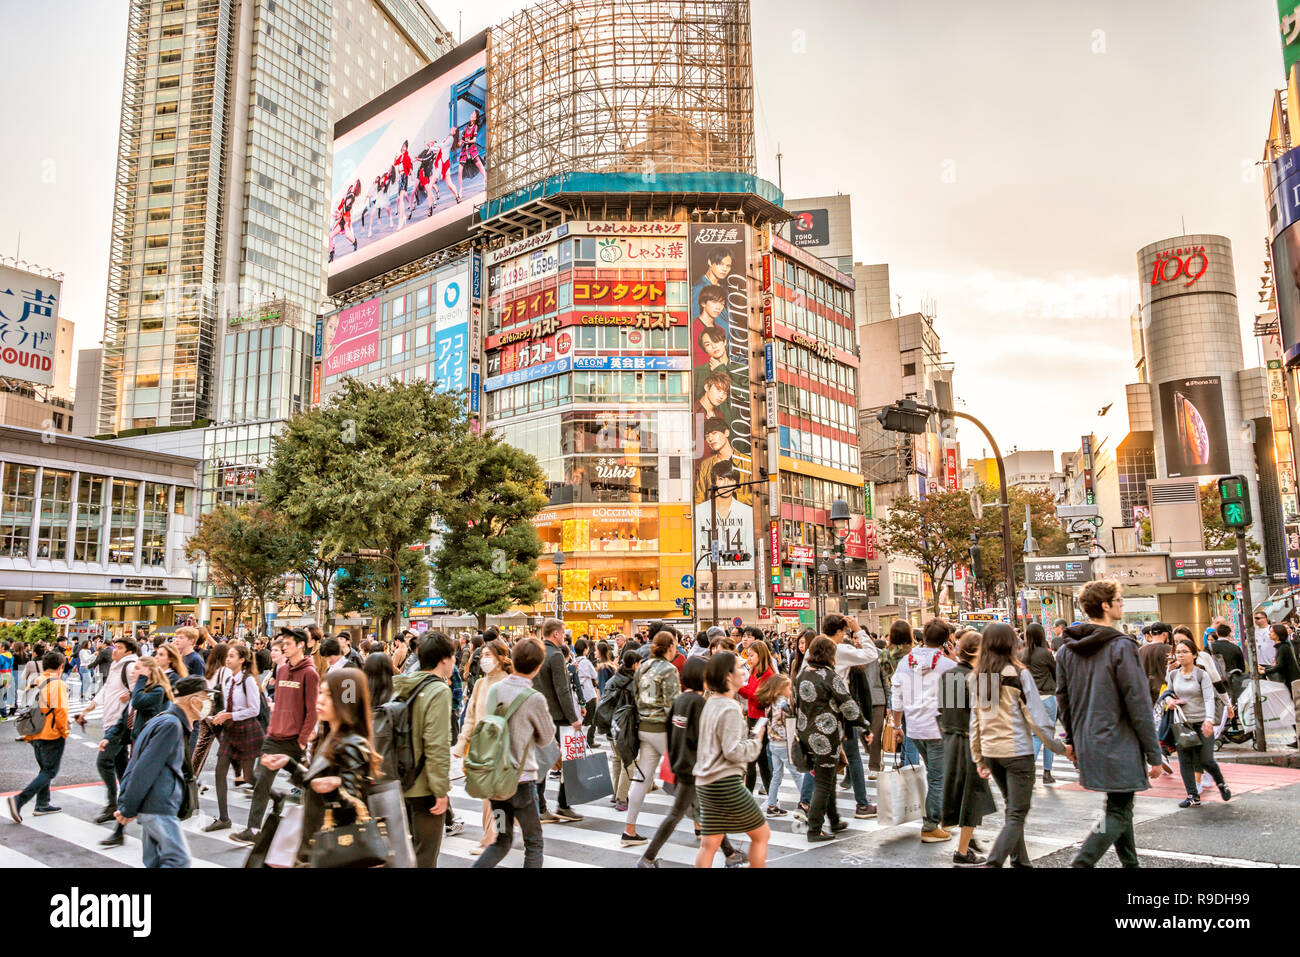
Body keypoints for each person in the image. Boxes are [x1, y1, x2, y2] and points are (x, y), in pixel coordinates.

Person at [1057, 580, 1164, 868]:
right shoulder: (1121, 646)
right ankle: (1082, 863)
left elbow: (1063, 699)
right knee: (1118, 812)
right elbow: (1138, 702)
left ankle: (1131, 865)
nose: (1122, 604)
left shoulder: (1067, 650)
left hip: (1088, 738)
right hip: (1120, 740)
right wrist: (1154, 753)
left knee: (1118, 806)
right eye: (1118, 599)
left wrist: (1071, 739)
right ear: (1105, 605)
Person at [261, 668, 381, 866]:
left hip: (335, 849)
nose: (320, 700)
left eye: (329, 695)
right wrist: (289, 764)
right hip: (316, 845)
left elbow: (351, 805)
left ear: (346, 701)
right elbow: (316, 784)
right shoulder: (329, 737)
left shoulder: (351, 745)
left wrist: (335, 789)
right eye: (321, 692)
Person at [969, 623, 1064, 867]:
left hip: (992, 751)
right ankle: (994, 862)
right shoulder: (1018, 675)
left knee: (1012, 810)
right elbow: (1037, 717)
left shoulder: (979, 676)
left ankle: (1021, 861)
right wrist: (1060, 748)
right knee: (1017, 813)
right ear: (1010, 643)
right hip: (1017, 751)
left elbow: (976, 720)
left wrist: (979, 756)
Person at [638, 657, 745, 868]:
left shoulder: (680, 700)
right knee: (677, 815)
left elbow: (670, 730)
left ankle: (731, 854)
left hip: (682, 765)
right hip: (695, 768)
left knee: (706, 811)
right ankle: (647, 858)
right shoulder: (698, 703)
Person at [473, 638, 557, 869]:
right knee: (534, 841)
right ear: (538, 667)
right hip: (521, 783)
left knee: (501, 840)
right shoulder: (534, 698)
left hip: (495, 782)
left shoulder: (495, 689)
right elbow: (547, 737)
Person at [230, 627, 319, 845]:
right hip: (274, 736)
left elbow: (313, 710)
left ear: (301, 645)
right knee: (261, 781)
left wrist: (302, 739)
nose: (283, 647)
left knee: (307, 783)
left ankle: (316, 829)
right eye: (282, 644)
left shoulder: (310, 673)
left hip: (294, 740)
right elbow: (278, 704)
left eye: (288, 644)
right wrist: (270, 729)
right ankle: (253, 829)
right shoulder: (281, 670)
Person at [111, 674, 211, 867]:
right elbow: (143, 769)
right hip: (159, 807)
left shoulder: (166, 721)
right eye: (206, 697)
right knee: (178, 860)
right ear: (194, 701)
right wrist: (127, 808)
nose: (210, 703)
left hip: (154, 804)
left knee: (154, 861)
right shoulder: (171, 725)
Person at [694, 652, 770, 868]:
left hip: (705, 780)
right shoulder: (729, 707)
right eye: (739, 667)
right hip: (725, 782)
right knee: (761, 834)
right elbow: (732, 750)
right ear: (728, 676)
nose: (743, 671)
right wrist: (756, 740)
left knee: (710, 842)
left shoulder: (711, 703)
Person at [890, 619, 957, 842]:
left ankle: (938, 815)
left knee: (935, 774)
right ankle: (930, 826)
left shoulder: (904, 662)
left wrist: (897, 726)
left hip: (914, 728)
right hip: (937, 728)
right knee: (938, 777)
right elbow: (955, 701)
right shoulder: (947, 665)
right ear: (946, 640)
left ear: (923, 637)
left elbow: (896, 699)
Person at [393, 632, 455, 867]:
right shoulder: (438, 691)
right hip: (423, 785)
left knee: (407, 851)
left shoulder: (402, 683)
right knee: (426, 855)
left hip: (399, 778)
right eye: (453, 657)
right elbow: (436, 744)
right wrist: (440, 789)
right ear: (443, 660)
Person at [793, 636, 862, 842]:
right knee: (823, 782)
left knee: (828, 778)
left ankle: (834, 819)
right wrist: (864, 725)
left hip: (805, 733)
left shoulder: (802, 674)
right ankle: (814, 829)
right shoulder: (829, 676)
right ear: (828, 654)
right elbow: (848, 705)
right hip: (825, 735)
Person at [621, 629, 682, 846]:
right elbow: (673, 705)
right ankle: (701, 825)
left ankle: (629, 829)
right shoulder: (670, 670)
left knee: (642, 778)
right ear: (671, 647)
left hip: (643, 727)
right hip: (662, 729)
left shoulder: (643, 666)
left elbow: (635, 694)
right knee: (688, 774)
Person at [939, 631, 994, 866]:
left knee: (961, 793)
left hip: (951, 739)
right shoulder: (982, 677)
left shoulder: (948, 674)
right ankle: (962, 852)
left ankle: (967, 840)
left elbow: (943, 710)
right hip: (971, 742)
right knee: (973, 795)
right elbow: (991, 717)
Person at [452, 637, 511, 856]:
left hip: (499, 749)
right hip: (480, 747)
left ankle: (489, 839)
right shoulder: (479, 683)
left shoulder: (507, 683)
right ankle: (511, 831)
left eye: (489, 655)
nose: (484, 659)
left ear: (501, 658)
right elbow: (469, 717)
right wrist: (461, 743)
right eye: (483, 655)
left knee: (491, 796)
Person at [76, 637, 139, 826]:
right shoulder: (116, 665)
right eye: (115, 647)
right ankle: (126, 804)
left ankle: (114, 804)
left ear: (129, 651)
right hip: (110, 719)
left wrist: (131, 694)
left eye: (119, 648)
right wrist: (88, 708)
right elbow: (106, 690)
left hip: (120, 723)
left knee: (104, 761)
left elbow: (142, 689)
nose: (114, 650)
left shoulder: (131, 666)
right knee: (121, 766)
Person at [203, 644, 266, 833]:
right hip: (230, 731)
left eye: (232, 656)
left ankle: (276, 796)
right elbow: (231, 706)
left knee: (249, 776)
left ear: (242, 659)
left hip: (247, 730)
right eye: (227, 656)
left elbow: (254, 710)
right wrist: (221, 714)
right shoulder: (228, 679)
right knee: (219, 771)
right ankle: (224, 818)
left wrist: (229, 716)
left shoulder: (249, 681)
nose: (227, 659)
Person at [1164, 637, 1231, 809]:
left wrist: (1209, 720)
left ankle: (1221, 783)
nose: (1180, 655)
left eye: (1185, 651)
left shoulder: (1202, 675)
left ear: (1194, 655)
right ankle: (1193, 795)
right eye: (1178, 652)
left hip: (1202, 722)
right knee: (1185, 760)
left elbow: (1209, 698)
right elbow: (1168, 693)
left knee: (1206, 759)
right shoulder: (1173, 674)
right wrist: (1170, 700)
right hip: (1183, 723)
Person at [823, 613, 878, 817]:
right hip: (841, 712)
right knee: (853, 756)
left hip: (820, 712)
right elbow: (871, 654)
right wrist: (858, 629)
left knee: (821, 759)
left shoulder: (815, 647)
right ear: (839, 632)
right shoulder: (841, 649)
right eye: (844, 632)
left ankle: (805, 803)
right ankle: (862, 804)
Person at [7, 650, 70, 823]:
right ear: (60, 666)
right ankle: (19, 800)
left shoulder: (35, 681)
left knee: (44, 769)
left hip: (34, 732)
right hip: (51, 733)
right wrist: (64, 731)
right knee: (50, 771)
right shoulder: (57, 684)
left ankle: (42, 804)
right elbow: (61, 711)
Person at [533, 618, 584, 823]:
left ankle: (541, 806)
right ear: (555, 634)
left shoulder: (536, 653)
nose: (564, 637)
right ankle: (563, 804)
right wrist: (574, 718)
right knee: (570, 761)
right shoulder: (555, 656)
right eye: (563, 633)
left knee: (542, 763)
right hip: (558, 718)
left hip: (539, 715)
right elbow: (562, 690)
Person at [595, 649, 640, 811]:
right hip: (626, 728)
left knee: (617, 759)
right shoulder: (634, 682)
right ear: (635, 664)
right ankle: (622, 799)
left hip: (610, 725)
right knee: (629, 763)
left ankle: (615, 794)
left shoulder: (614, 679)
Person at [756, 673, 800, 816]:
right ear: (781, 689)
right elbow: (791, 726)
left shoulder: (770, 704)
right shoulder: (784, 705)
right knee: (797, 773)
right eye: (788, 688)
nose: (790, 691)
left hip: (773, 743)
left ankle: (771, 804)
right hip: (784, 744)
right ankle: (808, 801)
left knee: (777, 774)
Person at [1021, 622, 1060, 784]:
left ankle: (1029, 772)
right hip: (1047, 697)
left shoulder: (1022, 655)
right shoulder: (1045, 653)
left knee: (1034, 735)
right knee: (1047, 735)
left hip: (1030, 699)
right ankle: (1047, 773)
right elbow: (1056, 672)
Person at [737, 639, 775, 797]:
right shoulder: (755, 671)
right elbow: (751, 691)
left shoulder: (768, 674)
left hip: (761, 719)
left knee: (752, 759)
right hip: (753, 717)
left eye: (752, 655)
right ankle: (771, 796)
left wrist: (738, 688)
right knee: (761, 761)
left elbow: (759, 698)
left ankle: (748, 796)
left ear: (761, 655)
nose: (749, 659)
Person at [573, 638, 600, 748]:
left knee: (581, 718)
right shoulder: (586, 662)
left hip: (578, 695)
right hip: (589, 693)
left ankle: (579, 740)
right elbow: (595, 675)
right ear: (585, 649)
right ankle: (589, 740)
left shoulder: (573, 661)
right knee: (592, 718)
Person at [1138, 622, 1173, 706]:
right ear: (1165, 634)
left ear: (1150, 633)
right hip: (1165, 693)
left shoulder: (1141, 650)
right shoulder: (1170, 650)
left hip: (1146, 693)